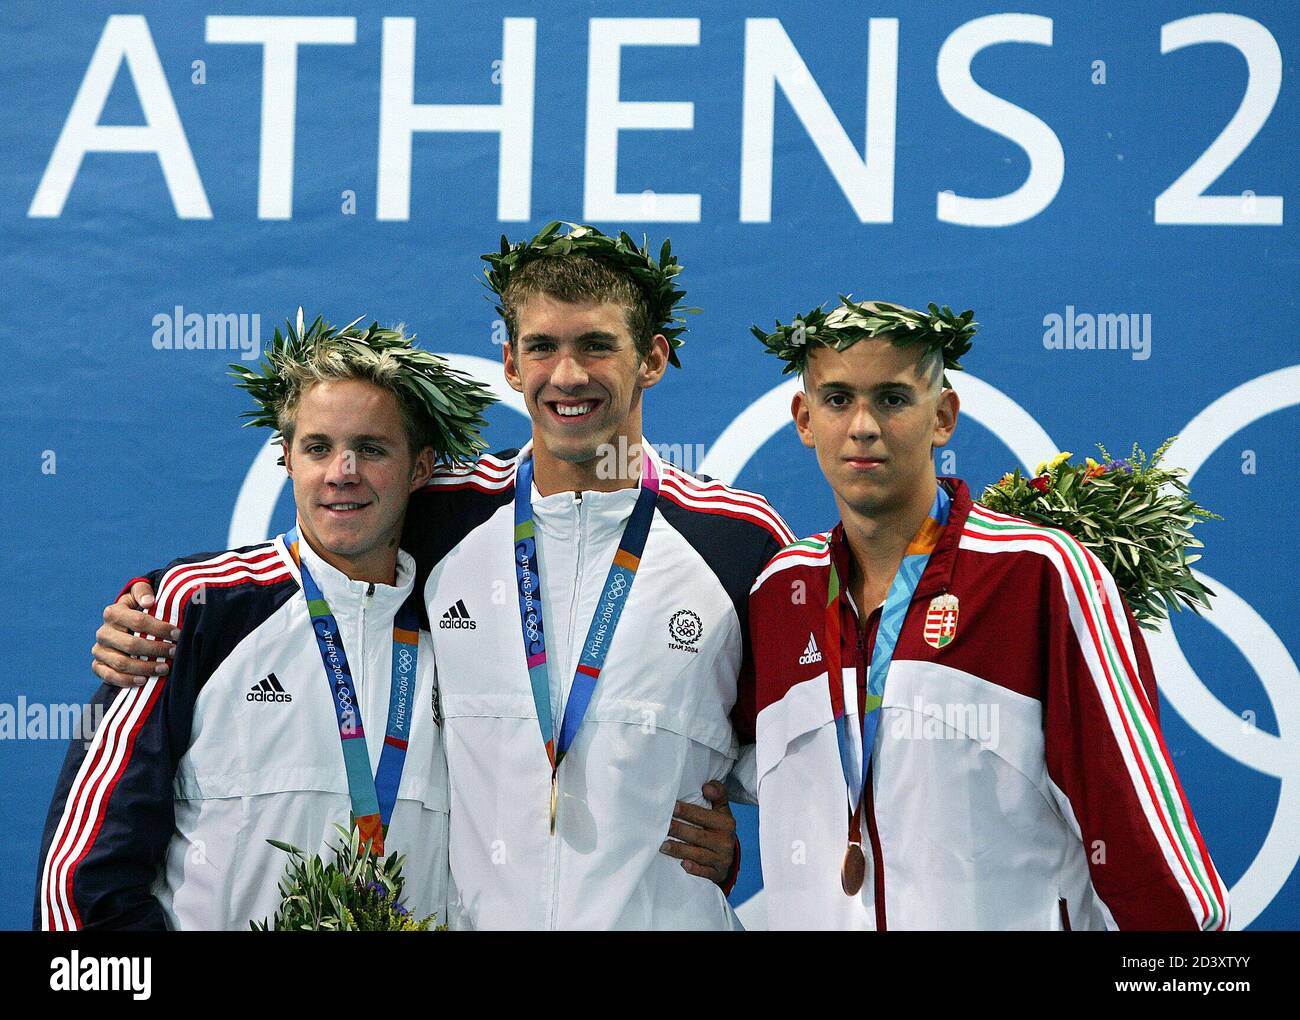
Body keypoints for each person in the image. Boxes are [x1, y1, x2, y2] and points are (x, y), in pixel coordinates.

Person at [90, 224, 790, 929]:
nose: (568, 375)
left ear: (653, 359)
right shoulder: (445, 513)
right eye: (543, 346)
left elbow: (800, 743)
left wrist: (720, 848)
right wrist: (150, 606)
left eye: (597, 345)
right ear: (511, 364)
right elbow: (319, 559)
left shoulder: (737, 541)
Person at [741, 297, 1229, 930]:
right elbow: (722, 764)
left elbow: (1142, 846)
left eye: (892, 398)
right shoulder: (780, 595)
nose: (862, 425)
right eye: (837, 400)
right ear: (804, 419)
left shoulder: (1036, 575)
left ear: (942, 416)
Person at [37, 313, 496, 929]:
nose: (343, 472)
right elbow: (82, 871)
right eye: (318, 447)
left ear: (419, 469)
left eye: (372, 448)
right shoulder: (195, 609)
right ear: (286, 459)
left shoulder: (469, 629)